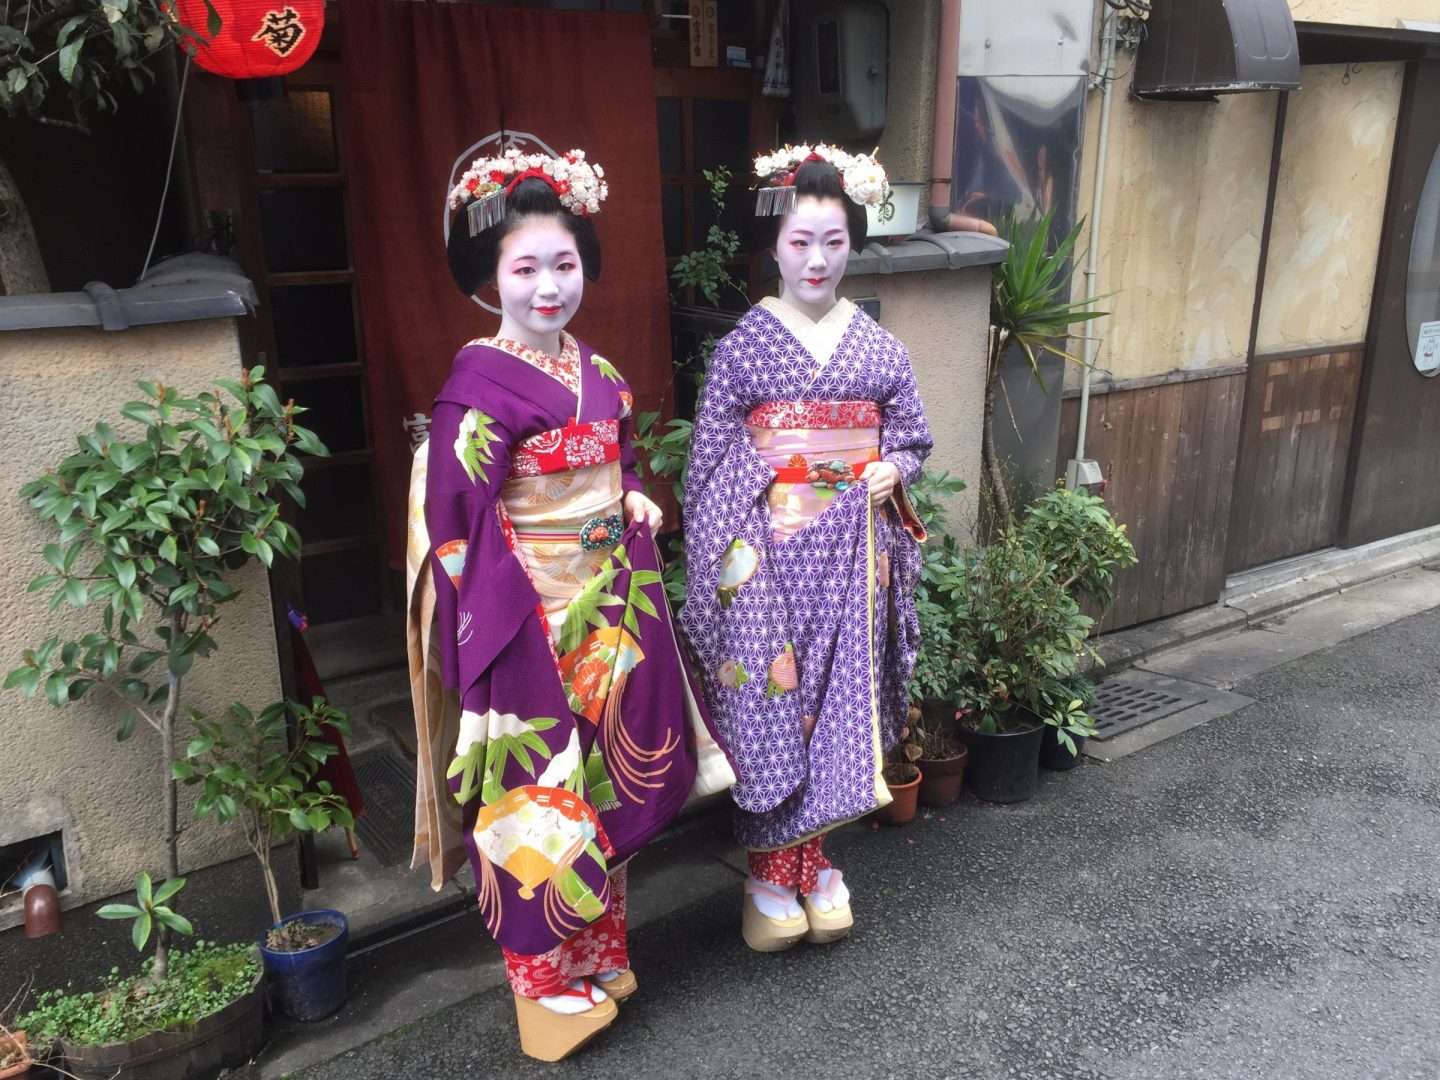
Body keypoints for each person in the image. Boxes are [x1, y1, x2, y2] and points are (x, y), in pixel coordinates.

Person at [406, 146, 733, 1061]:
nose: (548, 286)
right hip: (529, 621)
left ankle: (598, 957)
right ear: (489, 275)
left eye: (564, 263)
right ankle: (541, 993)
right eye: (524, 268)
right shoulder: (475, 388)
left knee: (601, 788)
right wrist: (517, 610)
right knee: (536, 797)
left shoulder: (602, 372)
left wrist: (632, 499)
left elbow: (618, 462)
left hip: (606, 614)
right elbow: (459, 518)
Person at [680, 144, 932, 953]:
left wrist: (892, 467)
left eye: (833, 241)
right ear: (775, 247)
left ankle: (815, 863)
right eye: (799, 242)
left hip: (854, 557)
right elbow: (709, 463)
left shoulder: (879, 347)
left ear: (853, 242)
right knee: (773, 704)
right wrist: (763, 499)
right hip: (768, 556)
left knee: (838, 707)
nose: (817, 260)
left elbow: (911, 436)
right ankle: (768, 875)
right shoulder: (745, 347)